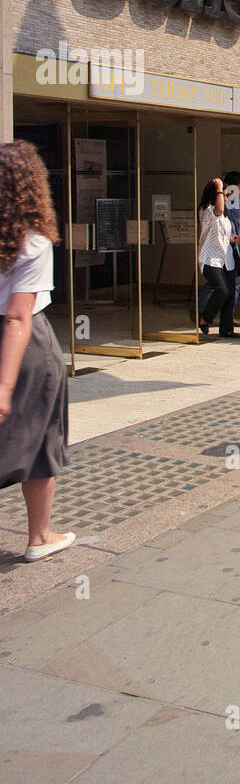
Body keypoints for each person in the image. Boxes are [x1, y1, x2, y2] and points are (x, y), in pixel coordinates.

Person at [0, 141, 76, 561]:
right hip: (27, 347)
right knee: (43, 437)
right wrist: (4, 387)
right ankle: (39, 535)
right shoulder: (32, 240)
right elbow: (17, 316)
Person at [196, 177, 240, 338]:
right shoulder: (207, 210)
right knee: (221, 289)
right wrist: (220, 186)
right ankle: (204, 318)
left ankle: (227, 329)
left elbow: (218, 233)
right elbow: (219, 210)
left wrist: (230, 239)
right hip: (210, 259)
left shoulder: (224, 216)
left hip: (225, 258)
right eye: (223, 195)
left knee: (229, 294)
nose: (226, 198)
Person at [222, 171, 240, 327]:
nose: (235, 192)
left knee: (236, 281)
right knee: (220, 282)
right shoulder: (219, 202)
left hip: (235, 247)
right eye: (234, 189)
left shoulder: (238, 203)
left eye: (239, 189)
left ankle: (229, 315)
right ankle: (204, 311)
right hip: (222, 246)